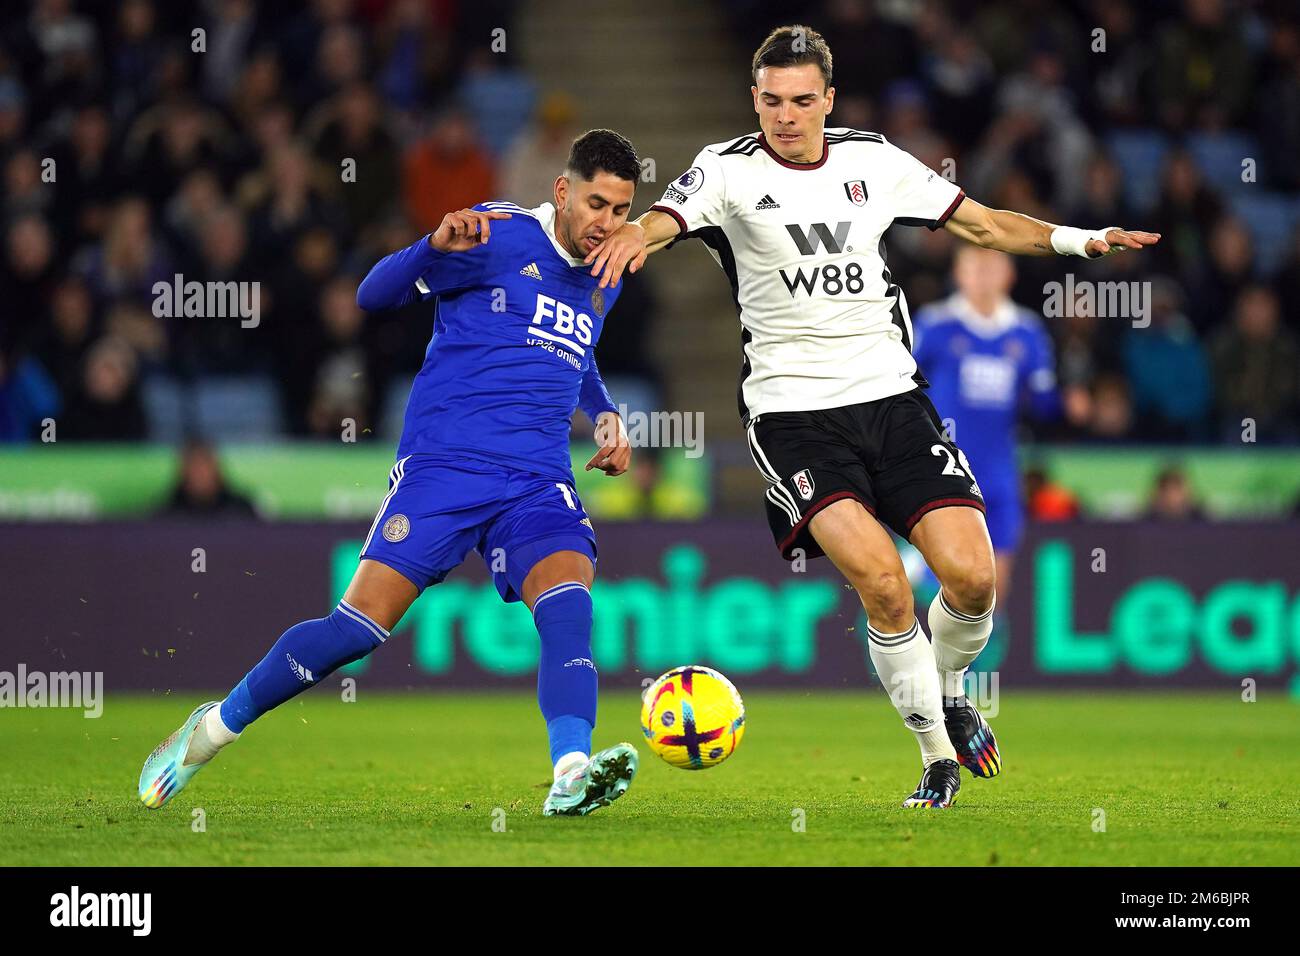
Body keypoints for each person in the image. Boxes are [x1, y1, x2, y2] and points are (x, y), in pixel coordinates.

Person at [585, 25, 1159, 808]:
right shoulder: (724, 171)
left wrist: (1079, 239)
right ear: (754, 99)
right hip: (793, 416)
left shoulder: (874, 161)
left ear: (828, 99)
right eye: (771, 101)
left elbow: (983, 223)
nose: (786, 116)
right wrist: (632, 237)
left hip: (893, 401)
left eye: (801, 101)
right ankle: (935, 760)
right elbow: (662, 220)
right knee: (886, 586)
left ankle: (952, 691)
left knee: (973, 577)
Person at [139, 130, 642, 817]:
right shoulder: (494, 235)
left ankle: (571, 772)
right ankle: (211, 731)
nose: (606, 225)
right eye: (595, 204)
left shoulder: (607, 270)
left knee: (568, 607)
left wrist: (606, 413)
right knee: (354, 630)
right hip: (444, 469)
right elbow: (374, 295)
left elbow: (575, 349)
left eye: (619, 210)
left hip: (537, 478)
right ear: (562, 190)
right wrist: (431, 247)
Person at [913, 245, 1068, 659]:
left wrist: (1067, 403)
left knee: (994, 581)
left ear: (1008, 275)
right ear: (958, 274)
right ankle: (936, 665)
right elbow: (902, 382)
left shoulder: (1026, 331)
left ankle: (965, 670)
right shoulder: (935, 325)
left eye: (991, 267)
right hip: (944, 468)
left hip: (999, 470)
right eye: (973, 267)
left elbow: (1043, 403)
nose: (982, 276)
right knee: (950, 574)